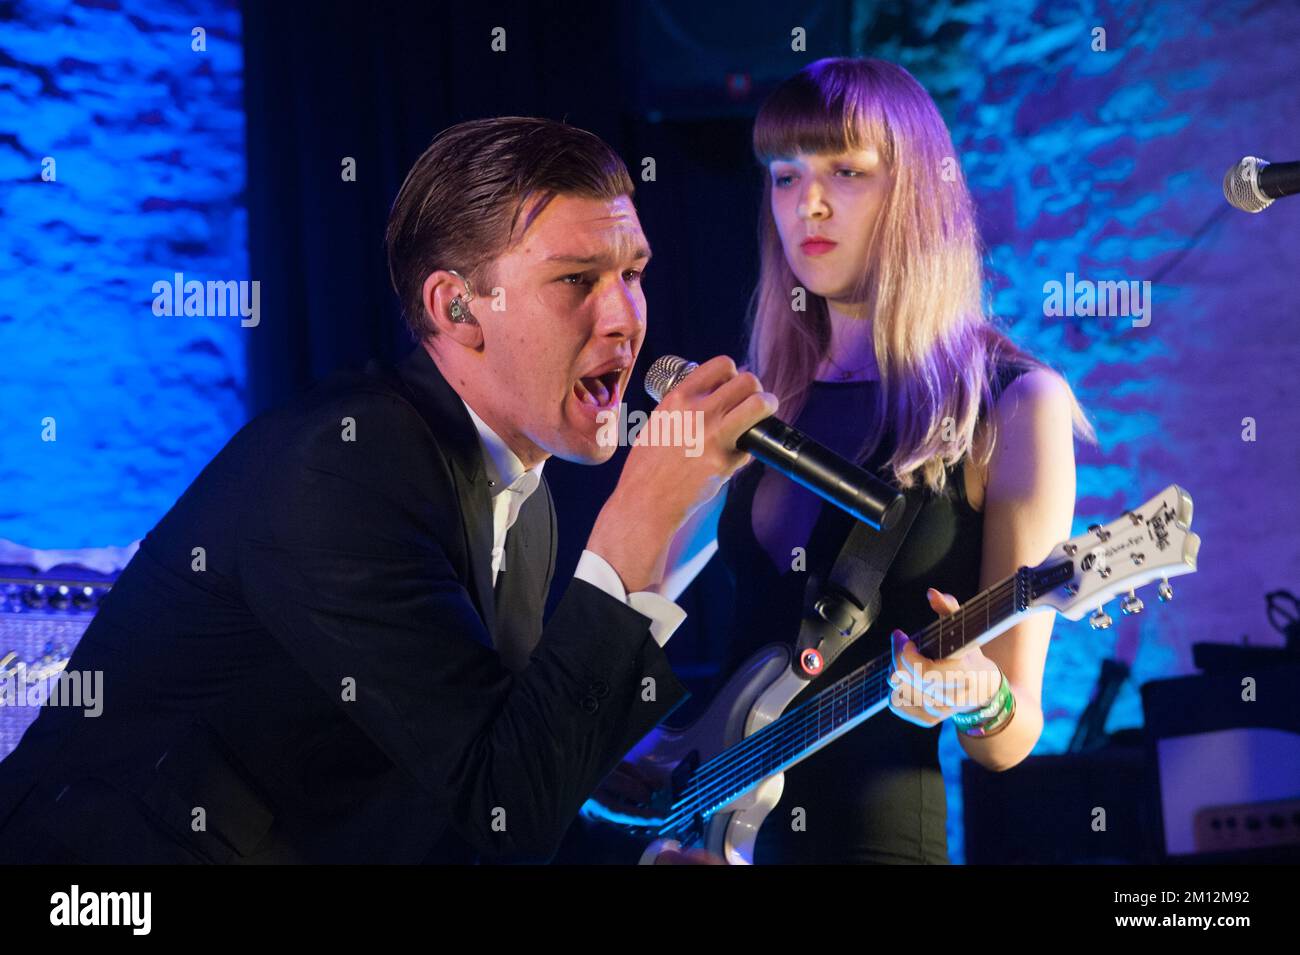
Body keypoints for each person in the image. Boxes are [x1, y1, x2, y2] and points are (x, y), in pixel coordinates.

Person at [0, 117, 777, 864]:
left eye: (632, 273)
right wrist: (638, 519)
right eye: (576, 278)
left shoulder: (522, 500)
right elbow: (506, 801)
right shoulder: (342, 469)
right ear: (456, 307)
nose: (624, 317)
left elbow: (487, 780)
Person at [606, 58, 1097, 864]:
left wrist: (978, 695)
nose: (811, 203)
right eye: (786, 175)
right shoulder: (763, 402)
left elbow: (1010, 739)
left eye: (847, 171)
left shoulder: (1014, 404)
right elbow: (631, 603)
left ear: (917, 190)